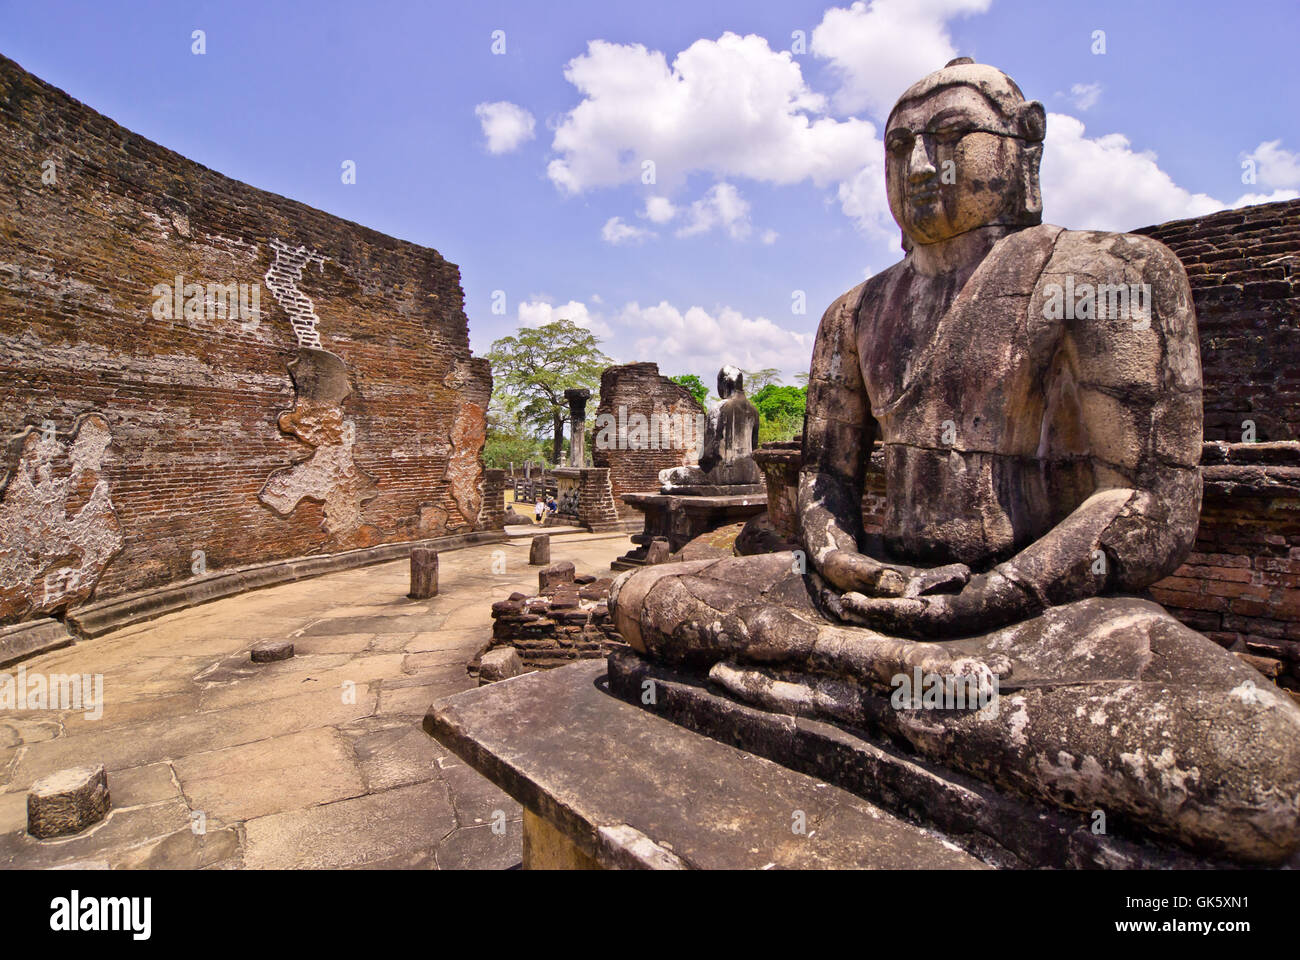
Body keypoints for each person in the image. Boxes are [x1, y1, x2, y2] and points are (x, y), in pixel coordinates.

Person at [608, 58, 1300, 864]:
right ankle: (892, 689)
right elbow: (825, 476)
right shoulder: (853, 312)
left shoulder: (1107, 275)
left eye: (949, 137)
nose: (921, 168)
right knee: (647, 593)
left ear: (1025, 144)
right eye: (899, 148)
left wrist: (992, 595)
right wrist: (843, 565)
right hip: (868, 598)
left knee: (1260, 770)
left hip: (1040, 619)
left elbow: (1144, 508)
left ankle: (842, 686)